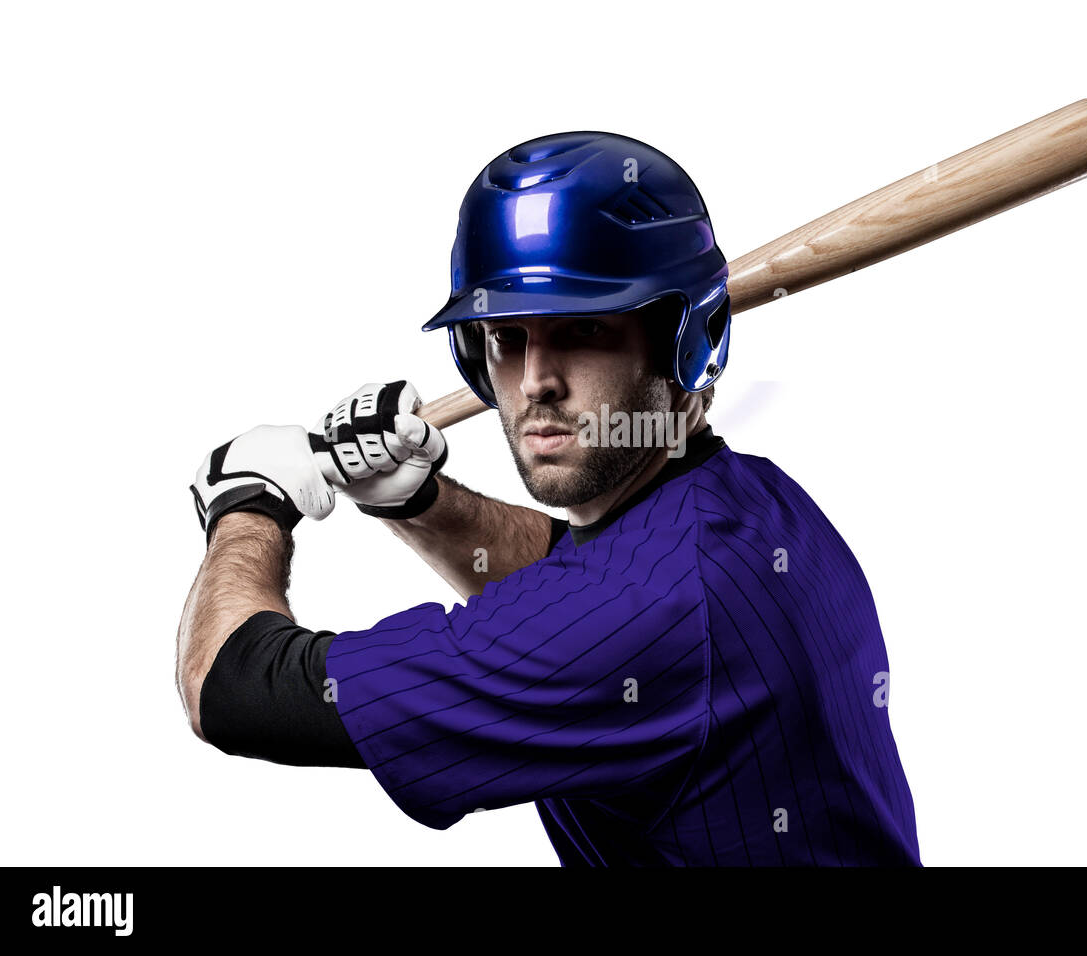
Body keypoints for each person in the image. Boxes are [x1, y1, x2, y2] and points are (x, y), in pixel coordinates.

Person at [178, 131, 922, 866]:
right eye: (505, 335)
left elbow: (231, 690)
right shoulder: (754, 503)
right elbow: (575, 576)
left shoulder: (647, 615)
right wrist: (415, 500)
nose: (535, 380)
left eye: (584, 329)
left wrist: (249, 504)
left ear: (683, 342)